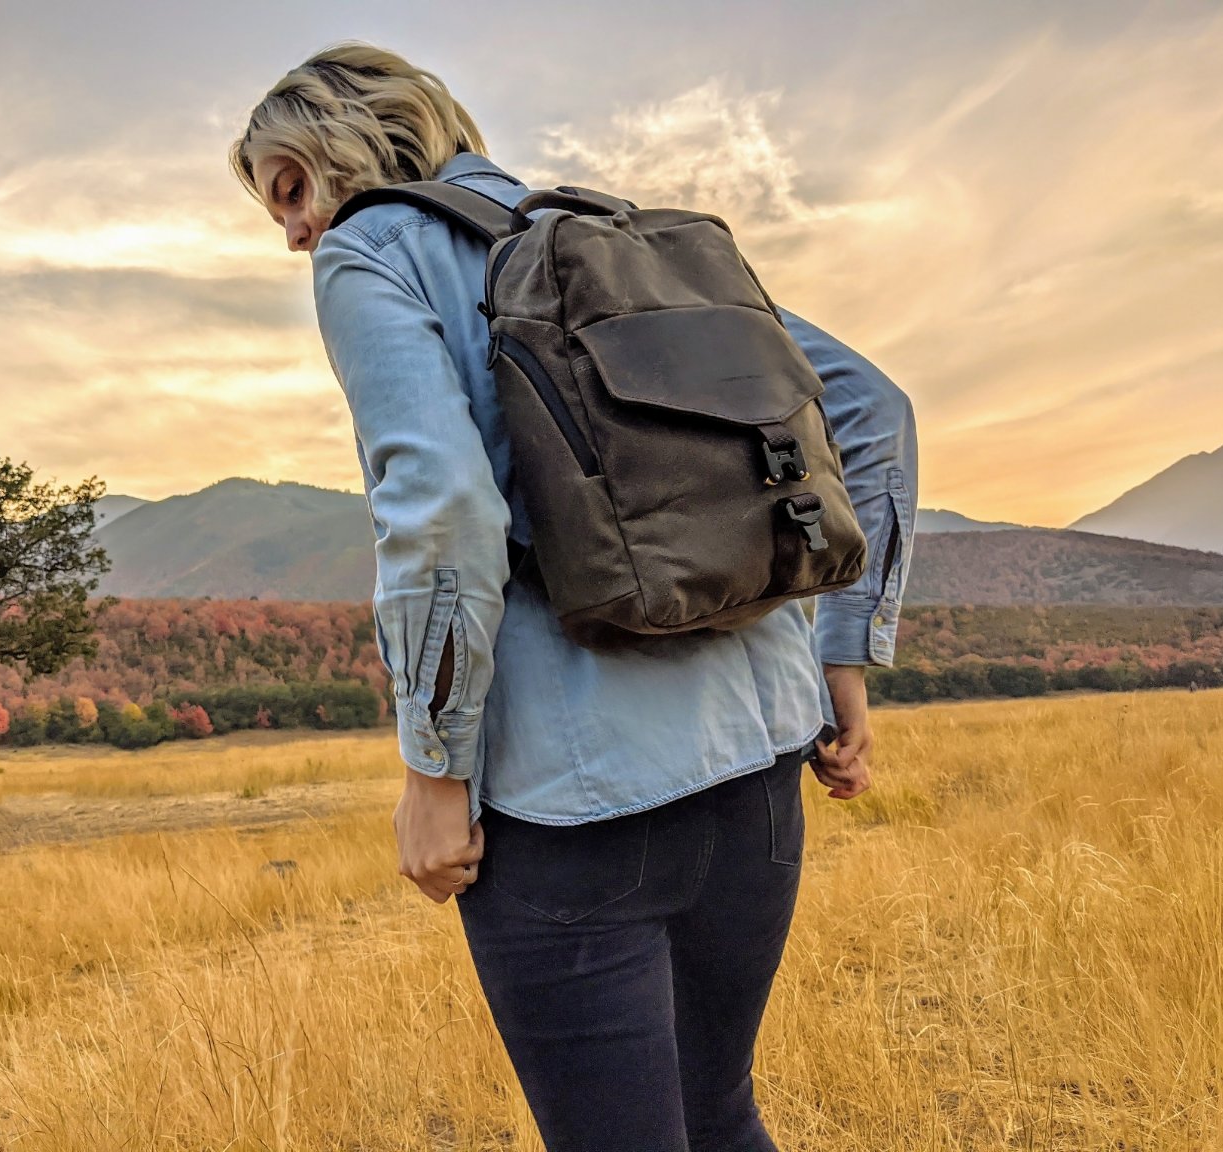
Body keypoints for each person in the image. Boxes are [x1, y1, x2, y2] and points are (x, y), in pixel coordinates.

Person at [231, 42, 918, 1152]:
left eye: (292, 189)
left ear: (349, 141)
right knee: (720, 1116)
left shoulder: (372, 247)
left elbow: (443, 511)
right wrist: (841, 655)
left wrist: (434, 775)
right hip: (761, 770)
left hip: (574, 809)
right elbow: (871, 408)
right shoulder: (622, 233)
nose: (296, 231)